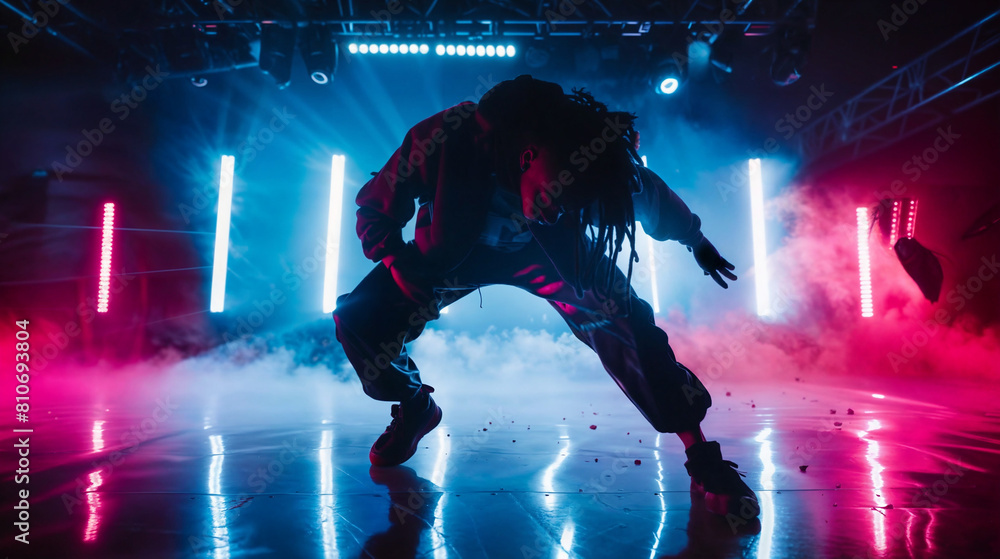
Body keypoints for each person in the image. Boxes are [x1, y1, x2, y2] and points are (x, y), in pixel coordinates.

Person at [333, 75, 759, 520]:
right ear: (528, 156)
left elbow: (649, 195)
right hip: (454, 251)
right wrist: (397, 263)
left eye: (570, 204)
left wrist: (696, 240)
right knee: (357, 316)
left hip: (550, 254)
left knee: (630, 327)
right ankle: (415, 406)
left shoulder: (595, 162)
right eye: (553, 195)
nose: (554, 207)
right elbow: (377, 204)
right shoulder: (449, 136)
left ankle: (702, 456)